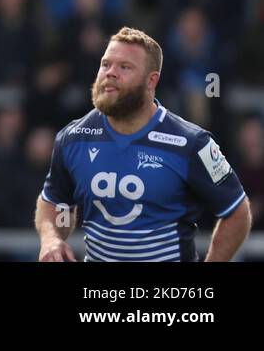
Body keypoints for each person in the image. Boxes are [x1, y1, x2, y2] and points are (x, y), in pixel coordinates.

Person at [35, 27, 251, 262]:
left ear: (152, 81)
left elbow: (237, 211)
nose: (111, 73)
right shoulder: (73, 138)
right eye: (106, 64)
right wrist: (51, 238)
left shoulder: (191, 143)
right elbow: (54, 202)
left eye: (125, 67)